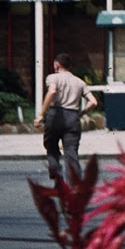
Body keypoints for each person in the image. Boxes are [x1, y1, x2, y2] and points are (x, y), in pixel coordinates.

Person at [37, 54, 96, 182]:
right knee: (71, 151)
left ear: (57, 65)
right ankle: (75, 182)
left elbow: (52, 91)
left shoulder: (53, 78)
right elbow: (93, 102)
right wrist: (81, 113)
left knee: (51, 145)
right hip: (73, 116)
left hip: (55, 114)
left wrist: (41, 114)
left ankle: (56, 173)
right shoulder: (79, 82)